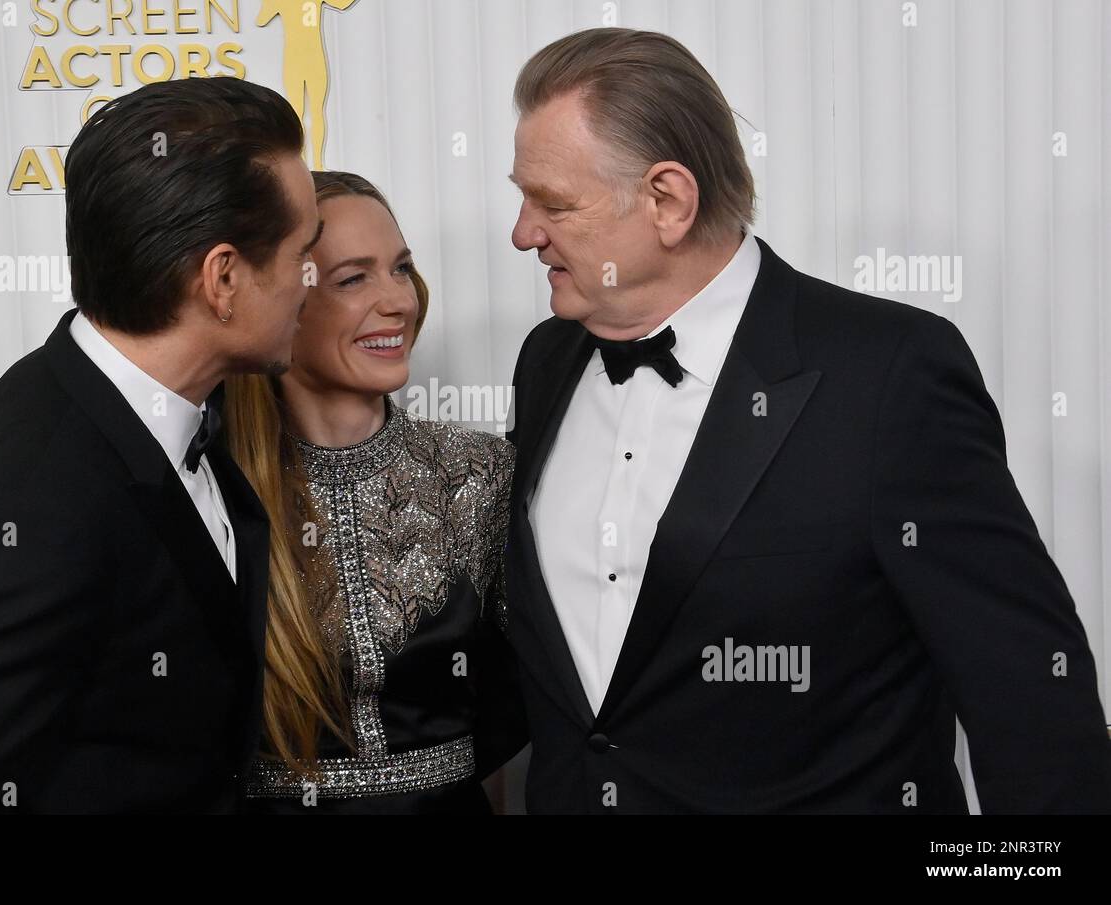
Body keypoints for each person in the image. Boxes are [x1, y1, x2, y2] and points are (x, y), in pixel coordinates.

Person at [503, 27, 1111, 814]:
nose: (523, 232)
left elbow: (1030, 703)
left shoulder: (890, 372)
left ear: (668, 200)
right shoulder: (546, 361)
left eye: (552, 203)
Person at [0, 76, 320, 813]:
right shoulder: (41, 494)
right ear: (222, 278)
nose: (307, 283)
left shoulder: (153, 411)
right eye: (300, 254)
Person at [227, 171, 526, 814]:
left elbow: (531, 694)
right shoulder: (213, 486)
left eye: (402, 268)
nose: (398, 301)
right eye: (353, 278)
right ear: (281, 301)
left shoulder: (480, 472)